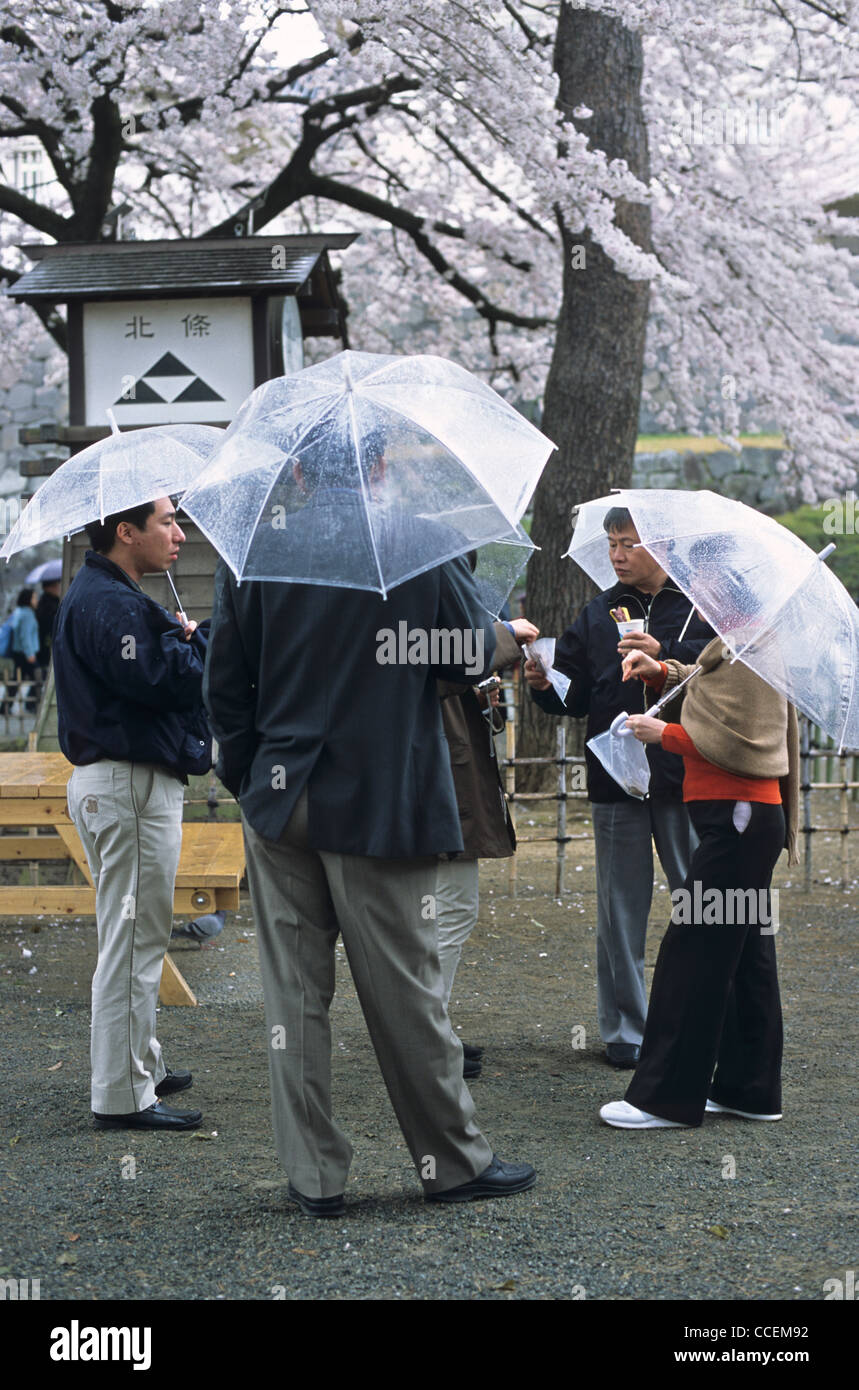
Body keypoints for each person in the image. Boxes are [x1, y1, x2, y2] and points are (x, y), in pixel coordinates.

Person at [203, 443, 537, 1215]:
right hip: (381, 797)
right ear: (380, 466)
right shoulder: (410, 538)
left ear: (297, 471)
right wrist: (506, 638)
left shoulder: (255, 545)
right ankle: (451, 1162)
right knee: (404, 993)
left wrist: (251, 778)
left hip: (280, 796)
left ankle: (313, 1176)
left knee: (292, 997)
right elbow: (458, 658)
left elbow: (225, 681)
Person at [525, 507, 714, 1067]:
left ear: (660, 545)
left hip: (685, 774)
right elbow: (577, 696)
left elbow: (722, 685)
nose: (617, 555)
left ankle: (705, 1019)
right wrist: (544, 683)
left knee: (701, 901)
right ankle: (627, 1032)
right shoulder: (599, 610)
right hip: (616, 780)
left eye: (629, 543)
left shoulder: (700, 608)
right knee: (618, 911)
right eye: (611, 543)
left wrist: (666, 660)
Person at [52, 497, 212, 1132]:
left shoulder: (102, 593)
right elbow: (165, 682)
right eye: (166, 522)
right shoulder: (111, 602)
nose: (178, 533)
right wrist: (195, 643)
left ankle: (137, 1059)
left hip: (114, 783)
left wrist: (170, 634)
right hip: (129, 784)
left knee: (131, 932)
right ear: (126, 532)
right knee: (135, 940)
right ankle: (121, 1093)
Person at [599, 636, 798, 1128]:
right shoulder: (741, 643)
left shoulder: (755, 649)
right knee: (747, 954)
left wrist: (662, 733)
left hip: (738, 819)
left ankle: (663, 1097)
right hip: (742, 820)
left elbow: (740, 742)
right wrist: (662, 673)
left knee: (693, 951)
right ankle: (749, 1090)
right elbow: (710, 683)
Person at [437, 611, 539, 1076]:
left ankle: (430, 1031)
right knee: (448, 911)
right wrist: (505, 637)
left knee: (446, 910)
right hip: (434, 784)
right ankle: (425, 1038)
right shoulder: (401, 598)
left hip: (446, 773)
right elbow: (423, 664)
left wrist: (479, 692)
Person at [36, 578, 61, 668]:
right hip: (47, 640)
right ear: (49, 588)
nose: (58, 588)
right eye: (56, 586)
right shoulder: (49, 603)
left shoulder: (45, 601)